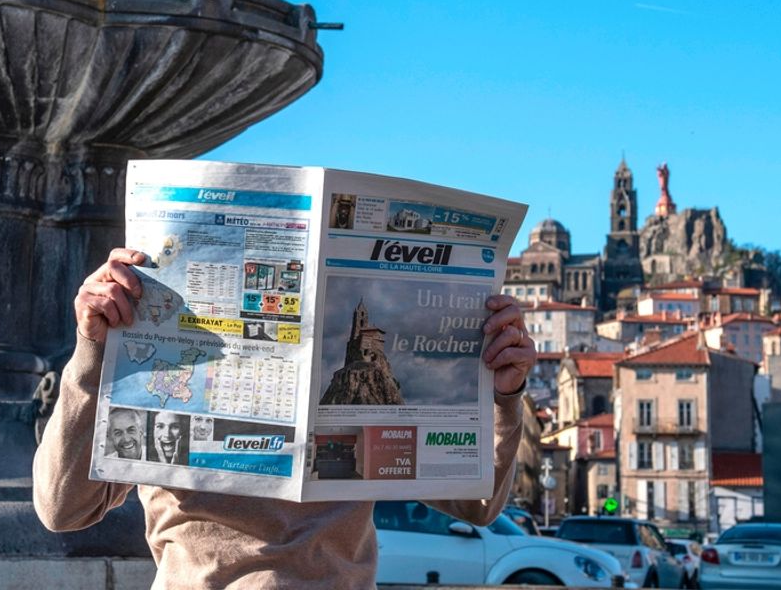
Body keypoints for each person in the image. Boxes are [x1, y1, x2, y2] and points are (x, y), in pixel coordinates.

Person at [34, 248, 534, 589]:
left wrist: (504, 394)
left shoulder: (359, 389)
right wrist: (93, 351)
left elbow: (477, 502)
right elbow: (62, 507)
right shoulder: (162, 369)